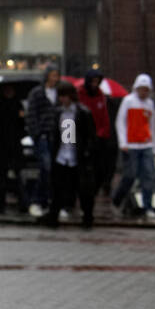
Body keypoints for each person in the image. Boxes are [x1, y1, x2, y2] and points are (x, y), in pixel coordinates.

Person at [43, 81, 96, 229]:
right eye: (61, 96)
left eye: (65, 96)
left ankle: (87, 218)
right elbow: (58, 135)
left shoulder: (82, 113)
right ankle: (53, 217)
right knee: (58, 188)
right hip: (62, 155)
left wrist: (86, 152)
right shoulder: (59, 113)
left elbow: (89, 136)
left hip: (77, 156)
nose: (62, 99)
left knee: (83, 190)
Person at [112, 73, 155, 219]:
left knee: (148, 175)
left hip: (146, 144)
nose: (144, 93)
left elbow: (152, 125)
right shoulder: (128, 101)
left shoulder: (150, 104)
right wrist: (123, 142)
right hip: (131, 145)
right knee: (129, 175)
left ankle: (147, 206)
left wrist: (154, 145)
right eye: (141, 89)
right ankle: (117, 198)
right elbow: (120, 121)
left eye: (146, 90)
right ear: (136, 88)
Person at [0, 83, 28, 214]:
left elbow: (23, 126)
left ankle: (22, 203)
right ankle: (1, 204)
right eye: (7, 91)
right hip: (3, 144)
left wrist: (22, 120)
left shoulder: (19, 106)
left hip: (14, 144)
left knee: (18, 176)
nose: (9, 93)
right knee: (1, 177)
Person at [25, 63, 60, 216]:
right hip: (43, 136)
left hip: (58, 137)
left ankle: (53, 202)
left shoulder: (60, 94)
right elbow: (31, 114)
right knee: (46, 167)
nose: (55, 79)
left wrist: (69, 139)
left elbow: (67, 116)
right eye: (53, 75)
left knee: (57, 170)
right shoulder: (38, 93)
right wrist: (36, 134)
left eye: (57, 75)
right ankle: (37, 200)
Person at [78, 69, 114, 194]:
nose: (94, 84)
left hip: (97, 137)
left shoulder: (100, 96)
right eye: (92, 81)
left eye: (97, 82)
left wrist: (103, 134)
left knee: (99, 166)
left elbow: (104, 117)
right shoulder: (79, 96)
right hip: (81, 138)